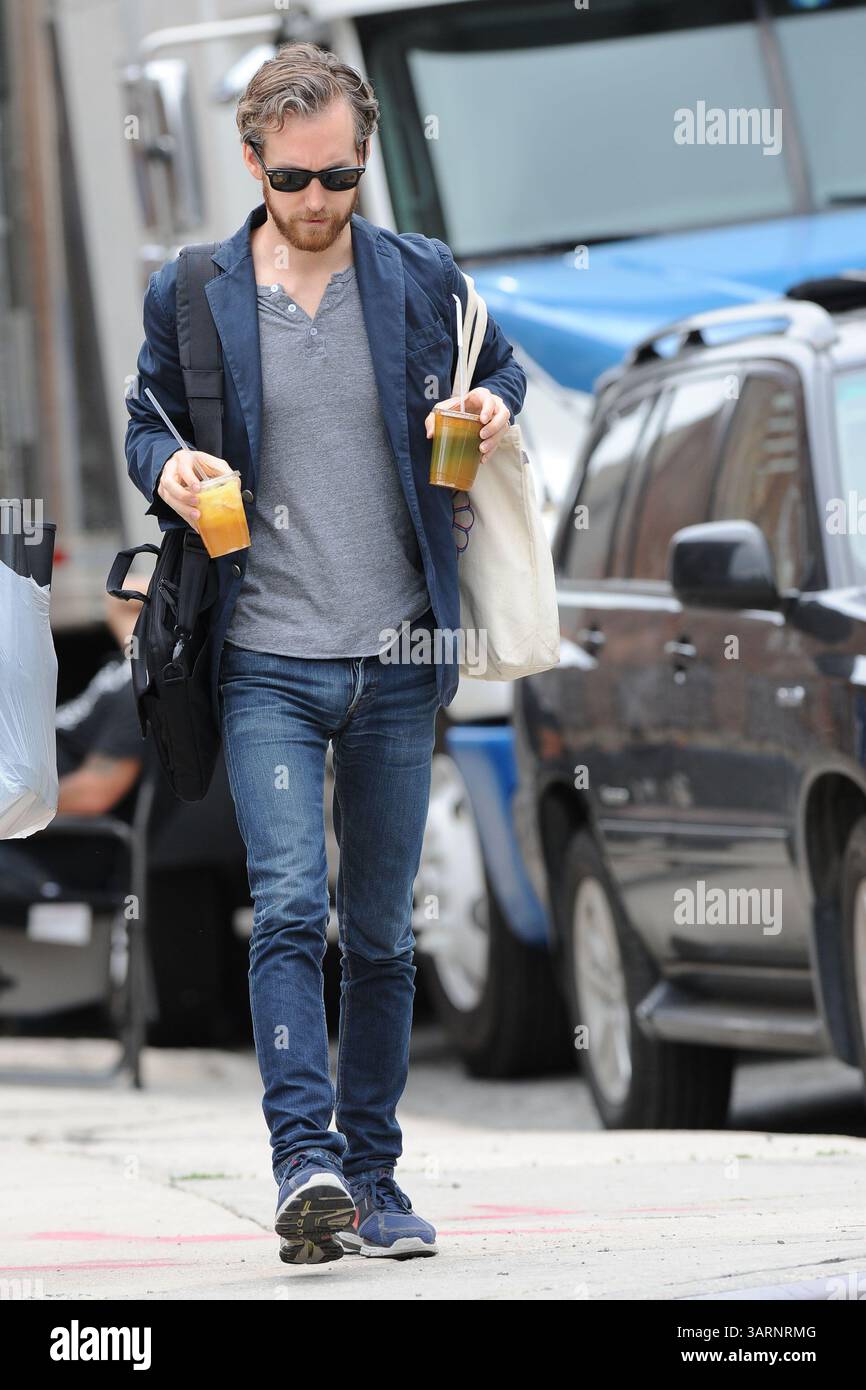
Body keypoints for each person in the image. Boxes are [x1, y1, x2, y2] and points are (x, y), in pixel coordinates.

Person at [124, 41, 527, 1264]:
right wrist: (170, 469)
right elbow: (146, 422)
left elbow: (494, 366)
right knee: (291, 907)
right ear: (252, 164)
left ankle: (377, 1174)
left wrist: (493, 405)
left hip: (400, 655)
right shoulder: (191, 292)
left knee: (383, 929)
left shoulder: (419, 278)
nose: (318, 204)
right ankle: (305, 1165)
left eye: (341, 179)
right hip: (264, 657)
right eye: (294, 181)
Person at [0, 573, 149, 909]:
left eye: (139, 606)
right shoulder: (114, 672)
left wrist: (13, 805)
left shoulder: (139, 686)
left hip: (55, 849)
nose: (124, 603)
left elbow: (96, 793)